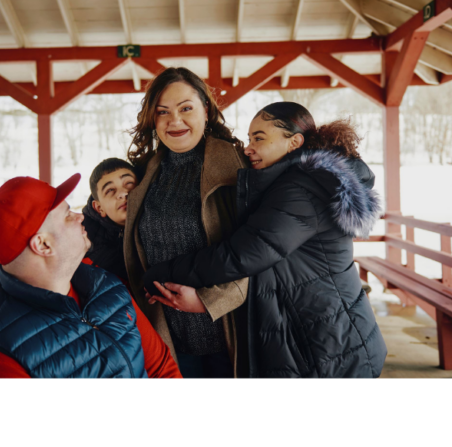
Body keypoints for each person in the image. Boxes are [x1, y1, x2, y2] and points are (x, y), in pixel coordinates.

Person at [141, 102, 387, 378]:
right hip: (321, 339)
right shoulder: (296, 184)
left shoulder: (303, 191)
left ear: (294, 142)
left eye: (259, 138)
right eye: (249, 138)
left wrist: (159, 274)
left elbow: (241, 255)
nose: (248, 148)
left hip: (330, 349)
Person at [0, 172, 184, 378]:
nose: (80, 216)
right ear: (42, 245)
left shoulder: (107, 286)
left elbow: (162, 369)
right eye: (67, 214)